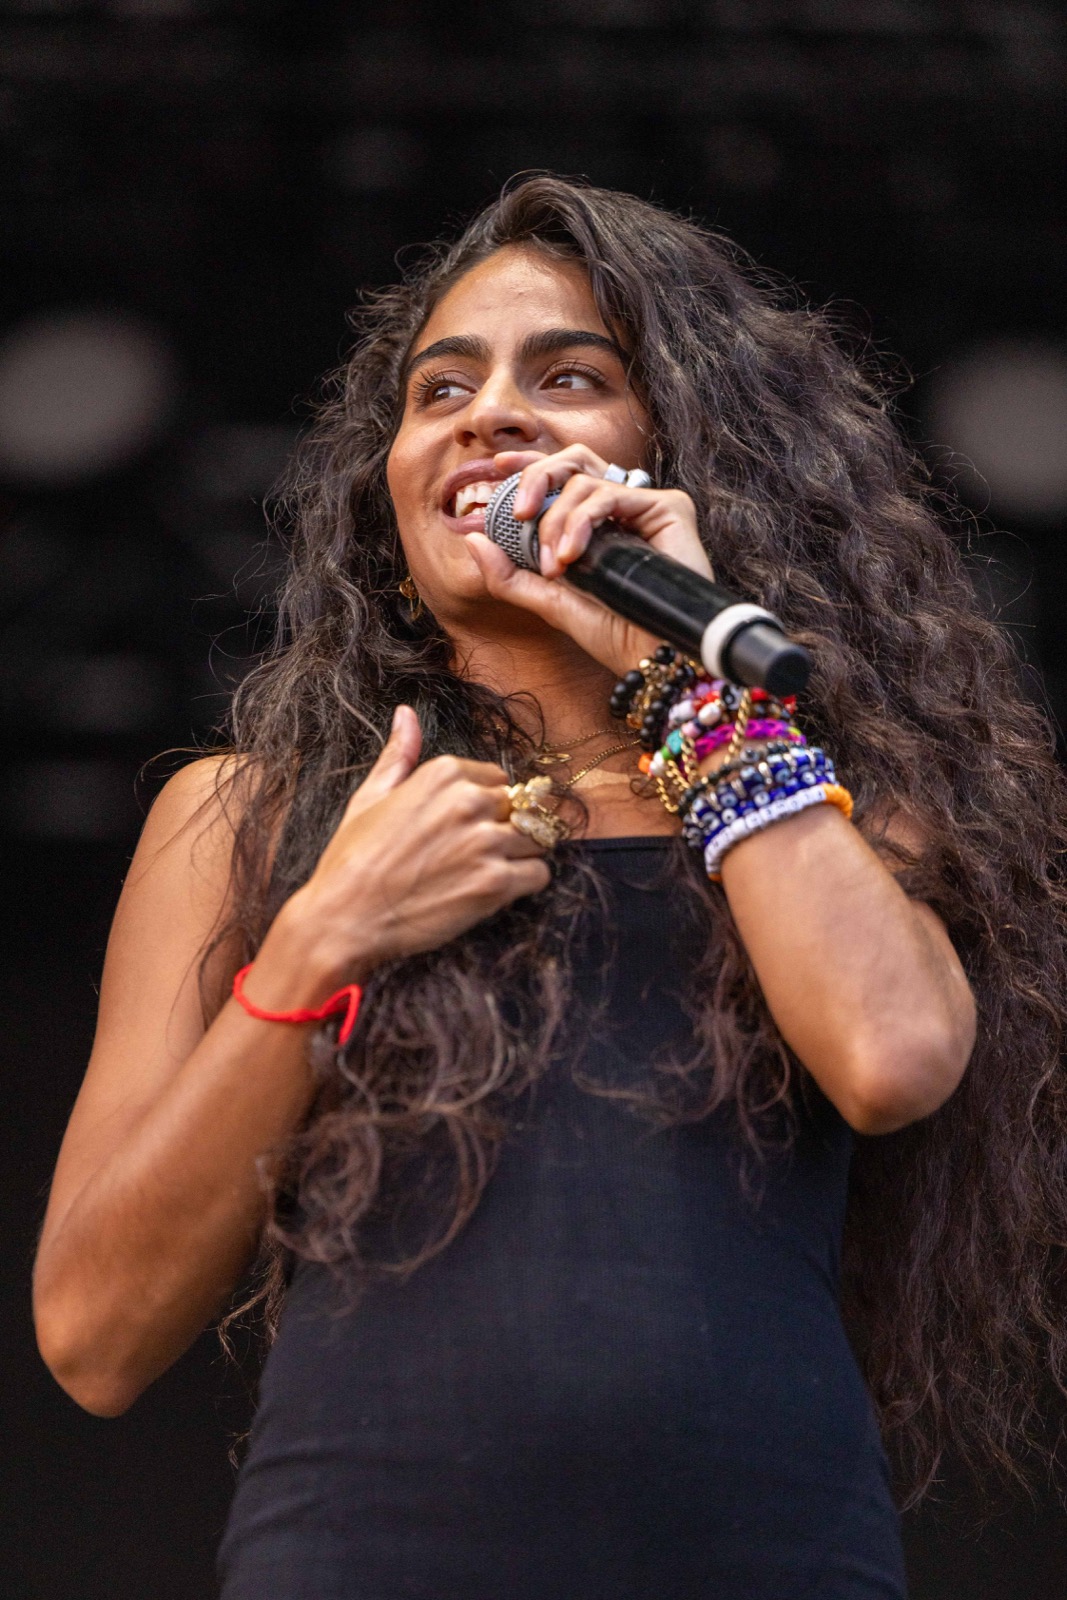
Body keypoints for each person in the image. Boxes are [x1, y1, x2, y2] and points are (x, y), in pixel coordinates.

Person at [32, 176, 1067, 1599]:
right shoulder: (243, 817)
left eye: (569, 377)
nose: (489, 415)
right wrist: (323, 941)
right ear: (390, 492)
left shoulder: (832, 808)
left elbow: (891, 1056)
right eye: (439, 390)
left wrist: (677, 684)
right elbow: (93, 1334)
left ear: (683, 460)